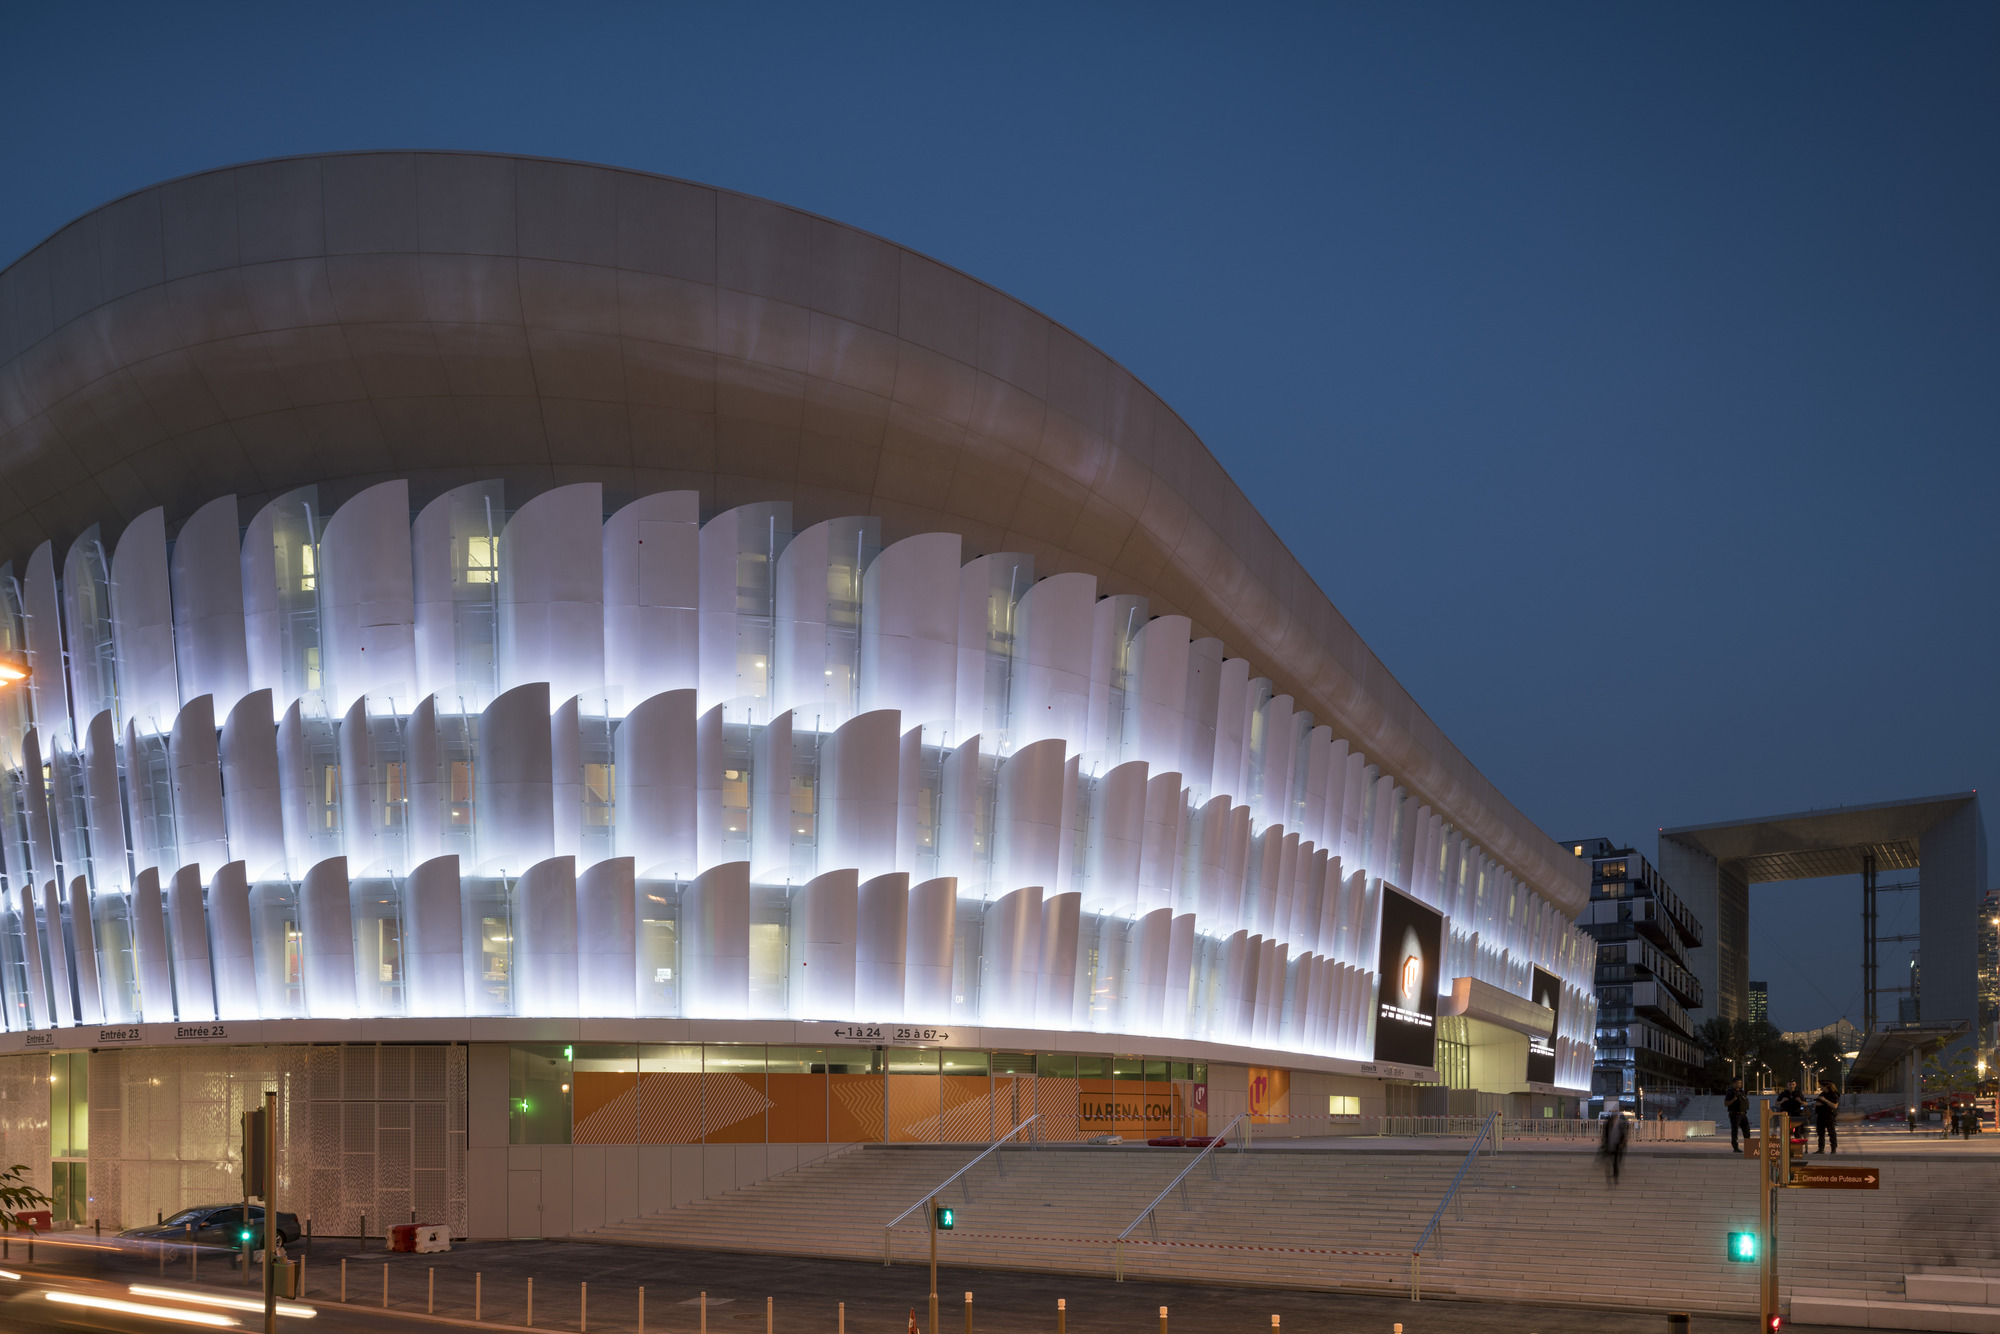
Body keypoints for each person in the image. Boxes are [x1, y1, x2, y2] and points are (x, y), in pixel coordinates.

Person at [1599, 1107, 1629, 1183]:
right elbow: (1605, 1135)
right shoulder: (1608, 1124)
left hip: (1616, 1146)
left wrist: (1622, 1143)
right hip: (1609, 1145)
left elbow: (1622, 1135)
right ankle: (1611, 1178)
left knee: (1615, 1162)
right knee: (1610, 1162)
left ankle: (1615, 1176)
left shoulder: (1619, 1125)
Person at [1776, 1081, 1808, 1153]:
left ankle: (1798, 1149)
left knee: (1797, 1133)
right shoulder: (1783, 1094)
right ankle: (1785, 1149)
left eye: (1793, 1084)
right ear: (1787, 1085)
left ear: (1795, 1085)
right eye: (1790, 1084)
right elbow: (1776, 1103)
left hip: (1796, 1115)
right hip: (1786, 1115)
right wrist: (1782, 1101)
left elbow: (1805, 1103)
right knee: (1786, 1133)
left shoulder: (1798, 1093)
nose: (1791, 1086)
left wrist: (1800, 1101)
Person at [1724, 1080, 1751, 1151]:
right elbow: (1726, 1103)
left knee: (1747, 1131)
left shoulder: (1742, 1092)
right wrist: (1733, 1099)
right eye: (1738, 1083)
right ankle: (1735, 1147)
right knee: (1735, 1131)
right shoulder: (1730, 1092)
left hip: (1743, 1114)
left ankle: (1748, 1147)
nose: (1739, 1084)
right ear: (1734, 1084)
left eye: (1740, 1083)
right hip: (1735, 1114)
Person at [1814, 1082, 1839, 1154]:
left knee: (1831, 1132)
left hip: (1829, 1115)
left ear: (1826, 1086)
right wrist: (1817, 1104)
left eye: (1821, 1086)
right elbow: (1817, 1102)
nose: (1820, 1088)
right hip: (1820, 1115)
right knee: (1820, 1133)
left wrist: (1825, 1100)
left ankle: (1833, 1148)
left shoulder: (1833, 1095)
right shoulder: (1822, 1094)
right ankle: (1821, 1148)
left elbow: (1834, 1106)